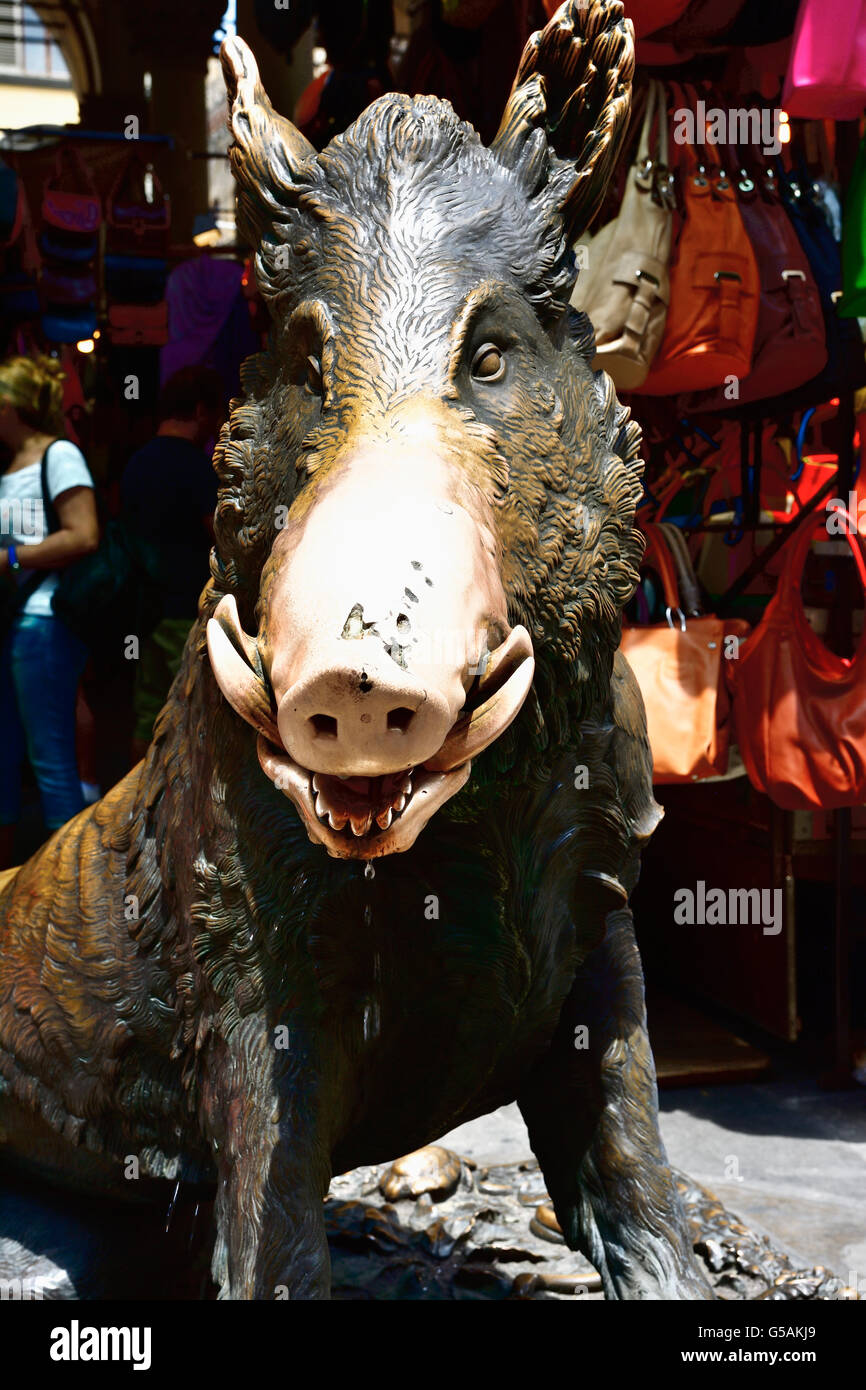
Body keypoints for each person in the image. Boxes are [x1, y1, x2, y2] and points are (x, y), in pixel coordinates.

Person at [0, 353, 99, 868]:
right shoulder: (8, 463)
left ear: (10, 403)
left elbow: (84, 532)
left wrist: (11, 556)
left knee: (51, 758)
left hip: (43, 619)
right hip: (11, 621)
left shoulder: (58, 455)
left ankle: (74, 892)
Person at [121, 365, 225, 761]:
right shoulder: (195, 467)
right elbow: (219, 533)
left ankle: (136, 807)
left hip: (144, 609)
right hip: (185, 609)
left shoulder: (136, 462)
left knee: (147, 714)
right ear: (201, 410)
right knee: (193, 713)